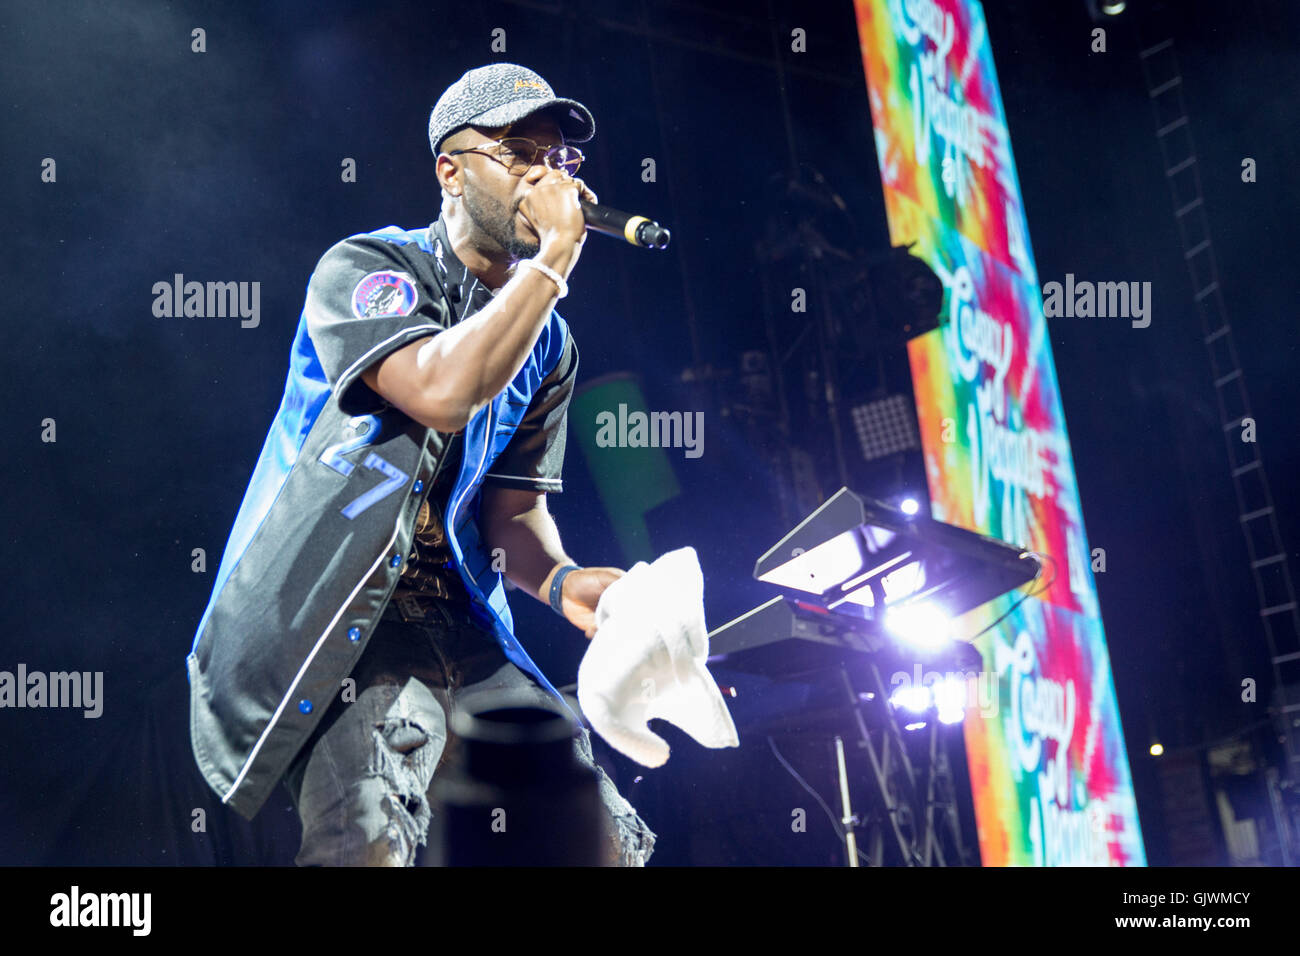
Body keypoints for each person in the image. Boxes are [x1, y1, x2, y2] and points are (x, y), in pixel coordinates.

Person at [186, 62, 657, 866]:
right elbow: (440, 391)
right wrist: (553, 265)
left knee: (593, 837)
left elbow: (512, 516)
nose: (548, 174)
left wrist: (565, 581)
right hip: (339, 616)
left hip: (462, 618)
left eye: (561, 158)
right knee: (370, 835)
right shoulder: (369, 269)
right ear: (451, 168)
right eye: (520, 152)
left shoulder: (549, 344)